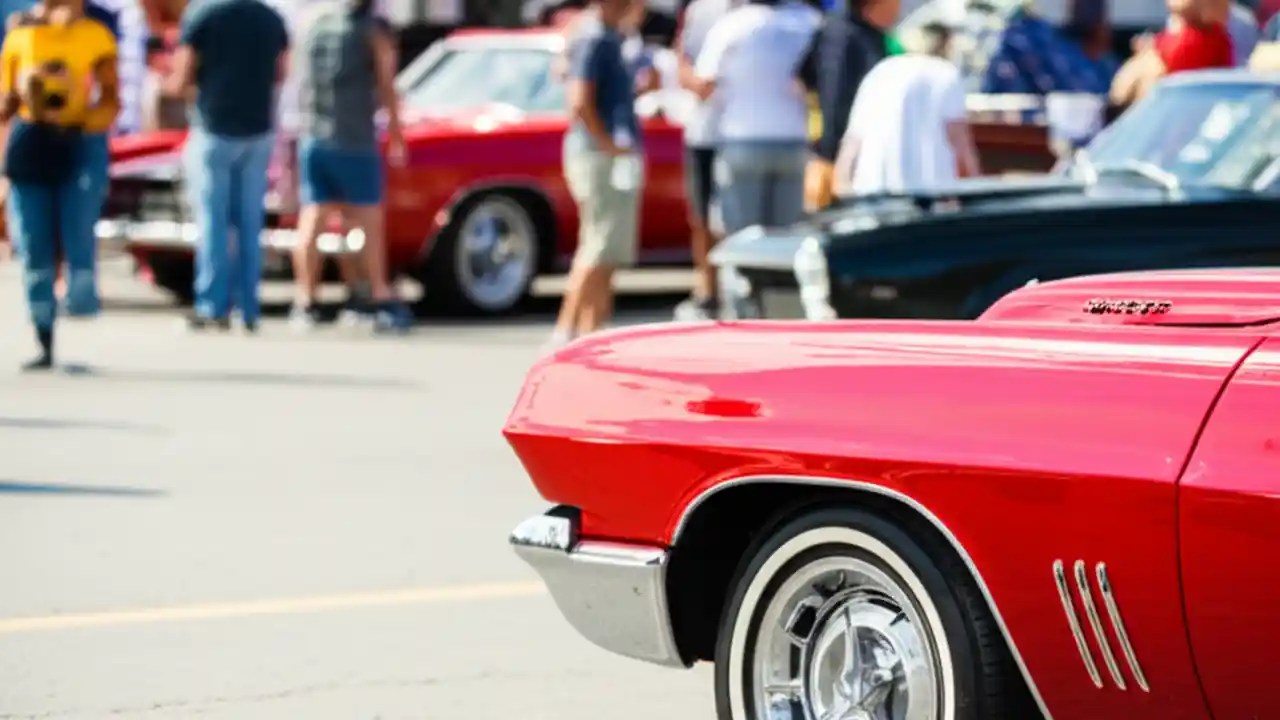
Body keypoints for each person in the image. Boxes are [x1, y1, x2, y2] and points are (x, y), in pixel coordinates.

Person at [0, 0, 118, 370]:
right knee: (34, 243)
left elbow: (111, 97)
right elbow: (5, 101)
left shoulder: (95, 36)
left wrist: (84, 121)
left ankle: (79, 300)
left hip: (79, 141)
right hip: (31, 140)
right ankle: (43, 332)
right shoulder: (22, 35)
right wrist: (28, 96)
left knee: (77, 230)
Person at [288, 0, 412, 332]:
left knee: (314, 217)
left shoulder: (314, 24)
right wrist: (398, 135)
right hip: (355, 137)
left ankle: (305, 299)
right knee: (368, 219)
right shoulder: (371, 28)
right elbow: (386, 84)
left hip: (314, 134)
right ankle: (377, 294)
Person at [166, 0, 288, 332]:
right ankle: (248, 308)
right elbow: (282, 73)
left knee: (213, 223)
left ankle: (213, 305)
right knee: (250, 222)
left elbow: (181, 77)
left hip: (214, 126)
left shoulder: (204, 14)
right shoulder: (270, 17)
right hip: (258, 129)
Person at [545, 0, 644, 351]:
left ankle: (593, 332)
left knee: (607, 249)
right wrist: (609, 145)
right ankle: (567, 329)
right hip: (598, 155)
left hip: (600, 152)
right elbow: (579, 101)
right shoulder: (595, 38)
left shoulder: (607, 37)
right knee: (599, 245)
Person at [691, 0, 820, 236]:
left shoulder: (732, 24)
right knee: (785, 241)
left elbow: (703, 85)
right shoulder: (809, 21)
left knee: (743, 240)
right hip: (793, 140)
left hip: (743, 139)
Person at [833, 20, 979, 198]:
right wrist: (975, 188)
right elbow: (959, 142)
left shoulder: (880, 72)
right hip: (928, 198)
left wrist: (843, 188)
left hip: (871, 195)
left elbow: (852, 143)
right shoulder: (945, 73)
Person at [800, 0, 897, 214]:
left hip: (862, 157)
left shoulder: (869, 34)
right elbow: (833, 94)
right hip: (840, 161)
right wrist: (829, 157)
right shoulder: (842, 36)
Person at [671, 0, 733, 321]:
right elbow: (682, 60)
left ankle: (733, 288)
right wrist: (697, 84)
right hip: (706, 130)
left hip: (745, 131)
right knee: (702, 216)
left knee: (733, 219)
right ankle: (708, 291)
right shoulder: (703, 8)